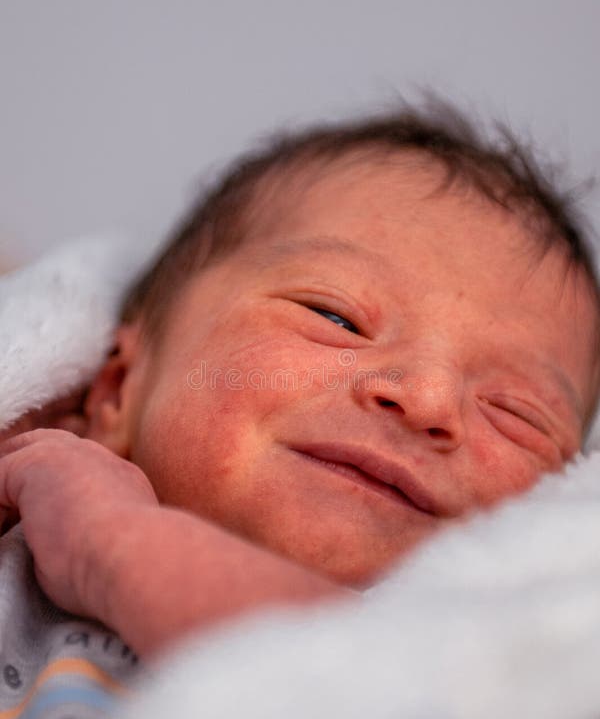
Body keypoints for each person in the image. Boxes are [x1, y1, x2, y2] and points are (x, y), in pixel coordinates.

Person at [2, 100, 600, 662]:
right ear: (116, 390)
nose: (427, 398)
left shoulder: (486, 657)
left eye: (515, 410)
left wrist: (114, 543)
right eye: (335, 319)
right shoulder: (24, 501)